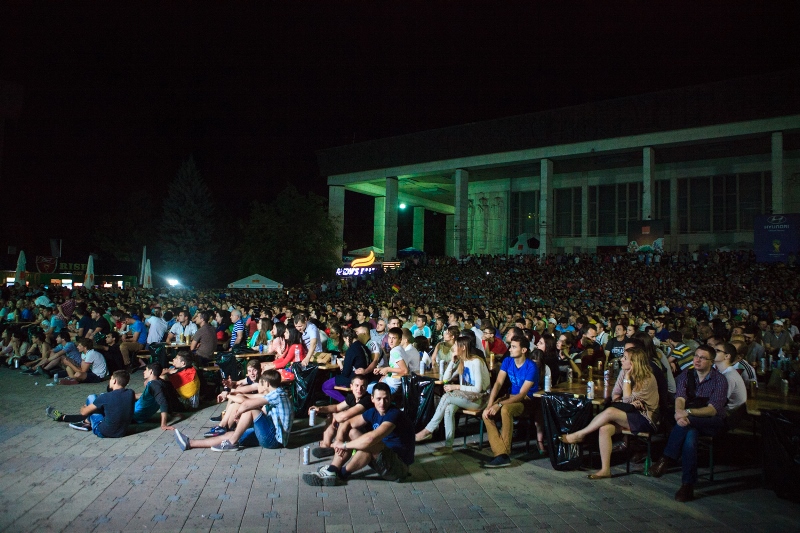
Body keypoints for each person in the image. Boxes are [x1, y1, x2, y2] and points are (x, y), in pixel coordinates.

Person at [560, 346, 660, 479]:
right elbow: (616, 395)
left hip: (646, 419)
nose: (621, 359)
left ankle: (580, 434)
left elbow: (626, 400)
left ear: (634, 363)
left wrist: (627, 379)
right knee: (604, 429)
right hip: (630, 414)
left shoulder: (648, 378)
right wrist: (627, 400)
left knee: (610, 411)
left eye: (625, 358)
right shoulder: (623, 372)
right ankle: (605, 470)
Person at [651, 344, 729, 502]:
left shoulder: (720, 380)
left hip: (711, 422)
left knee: (687, 424)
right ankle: (687, 484)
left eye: (702, 358)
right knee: (690, 436)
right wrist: (679, 412)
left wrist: (686, 413)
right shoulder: (687, 374)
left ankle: (666, 458)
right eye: (696, 356)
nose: (697, 360)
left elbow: (712, 410)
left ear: (711, 362)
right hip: (689, 420)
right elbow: (680, 397)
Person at [302, 382, 414, 486]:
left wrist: (344, 445)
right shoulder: (373, 412)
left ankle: (337, 473)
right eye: (379, 399)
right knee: (351, 432)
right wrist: (339, 440)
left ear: (391, 398)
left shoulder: (394, 414)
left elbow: (371, 439)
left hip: (399, 469)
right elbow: (347, 423)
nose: (382, 403)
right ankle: (333, 470)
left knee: (370, 443)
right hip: (382, 460)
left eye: (386, 399)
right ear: (372, 399)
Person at [174, 369, 293, 451]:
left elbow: (247, 405)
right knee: (230, 435)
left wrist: (239, 413)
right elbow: (255, 407)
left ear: (266, 383)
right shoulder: (274, 395)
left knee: (250, 409)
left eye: (260, 384)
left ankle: (232, 443)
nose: (258, 387)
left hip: (275, 440)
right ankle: (190, 443)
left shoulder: (278, 394)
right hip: (270, 435)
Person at [414, 335, 490, 455]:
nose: (453, 347)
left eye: (455, 345)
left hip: (480, 400)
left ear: (463, 347)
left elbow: (478, 389)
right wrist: (452, 362)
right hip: (466, 398)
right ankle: (448, 446)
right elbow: (445, 379)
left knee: (447, 397)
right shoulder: (462, 361)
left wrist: (456, 387)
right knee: (449, 408)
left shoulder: (476, 362)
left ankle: (428, 430)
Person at [481, 336, 538, 468]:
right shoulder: (508, 361)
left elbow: (522, 394)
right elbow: (498, 383)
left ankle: (503, 453)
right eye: (510, 346)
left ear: (523, 350)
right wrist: (490, 405)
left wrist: (499, 404)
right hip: (510, 396)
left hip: (527, 400)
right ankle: (501, 454)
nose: (510, 349)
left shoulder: (531, 367)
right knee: (486, 413)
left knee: (506, 410)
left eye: (513, 347)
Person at [45, 370, 135, 437]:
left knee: (91, 398)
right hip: (122, 432)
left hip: (103, 431)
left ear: (114, 381)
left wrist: (84, 407)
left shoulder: (106, 397)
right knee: (102, 402)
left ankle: (65, 418)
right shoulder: (130, 393)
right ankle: (86, 422)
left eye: (111, 379)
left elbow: (83, 412)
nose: (110, 381)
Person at [310, 374, 373, 458]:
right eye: (357, 385)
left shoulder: (367, 399)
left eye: (363, 386)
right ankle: (326, 446)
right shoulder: (352, 397)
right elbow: (336, 407)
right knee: (332, 416)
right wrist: (319, 409)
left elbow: (344, 416)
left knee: (343, 419)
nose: (359, 389)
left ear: (366, 387)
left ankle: (337, 446)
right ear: (351, 386)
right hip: (356, 428)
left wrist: (335, 415)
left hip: (366, 433)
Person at [322, 325, 368, 403]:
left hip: (353, 379)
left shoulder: (351, 349)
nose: (346, 344)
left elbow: (345, 373)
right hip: (364, 377)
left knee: (325, 386)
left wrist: (341, 365)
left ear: (347, 338)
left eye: (345, 341)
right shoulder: (363, 346)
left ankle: (347, 403)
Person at [132, 363, 182, 430]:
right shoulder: (161, 382)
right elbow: (167, 397)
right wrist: (171, 412)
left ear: (151, 372)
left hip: (135, 414)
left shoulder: (155, 386)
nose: (144, 372)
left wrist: (164, 425)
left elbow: (163, 403)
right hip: (136, 410)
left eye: (146, 370)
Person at [712, 342, 747, 429]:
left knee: (687, 420)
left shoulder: (728, 376)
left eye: (717, 351)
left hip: (727, 417)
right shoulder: (724, 372)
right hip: (727, 414)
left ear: (727, 356)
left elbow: (718, 403)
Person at [369, 327, 409, 394]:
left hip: (392, 386)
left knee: (367, 389)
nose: (391, 341)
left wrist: (387, 369)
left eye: (394, 338)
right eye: (389, 338)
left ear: (400, 340)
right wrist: (382, 369)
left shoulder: (395, 351)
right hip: (392, 381)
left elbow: (405, 371)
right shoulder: (400, 348)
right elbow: (396, 368)